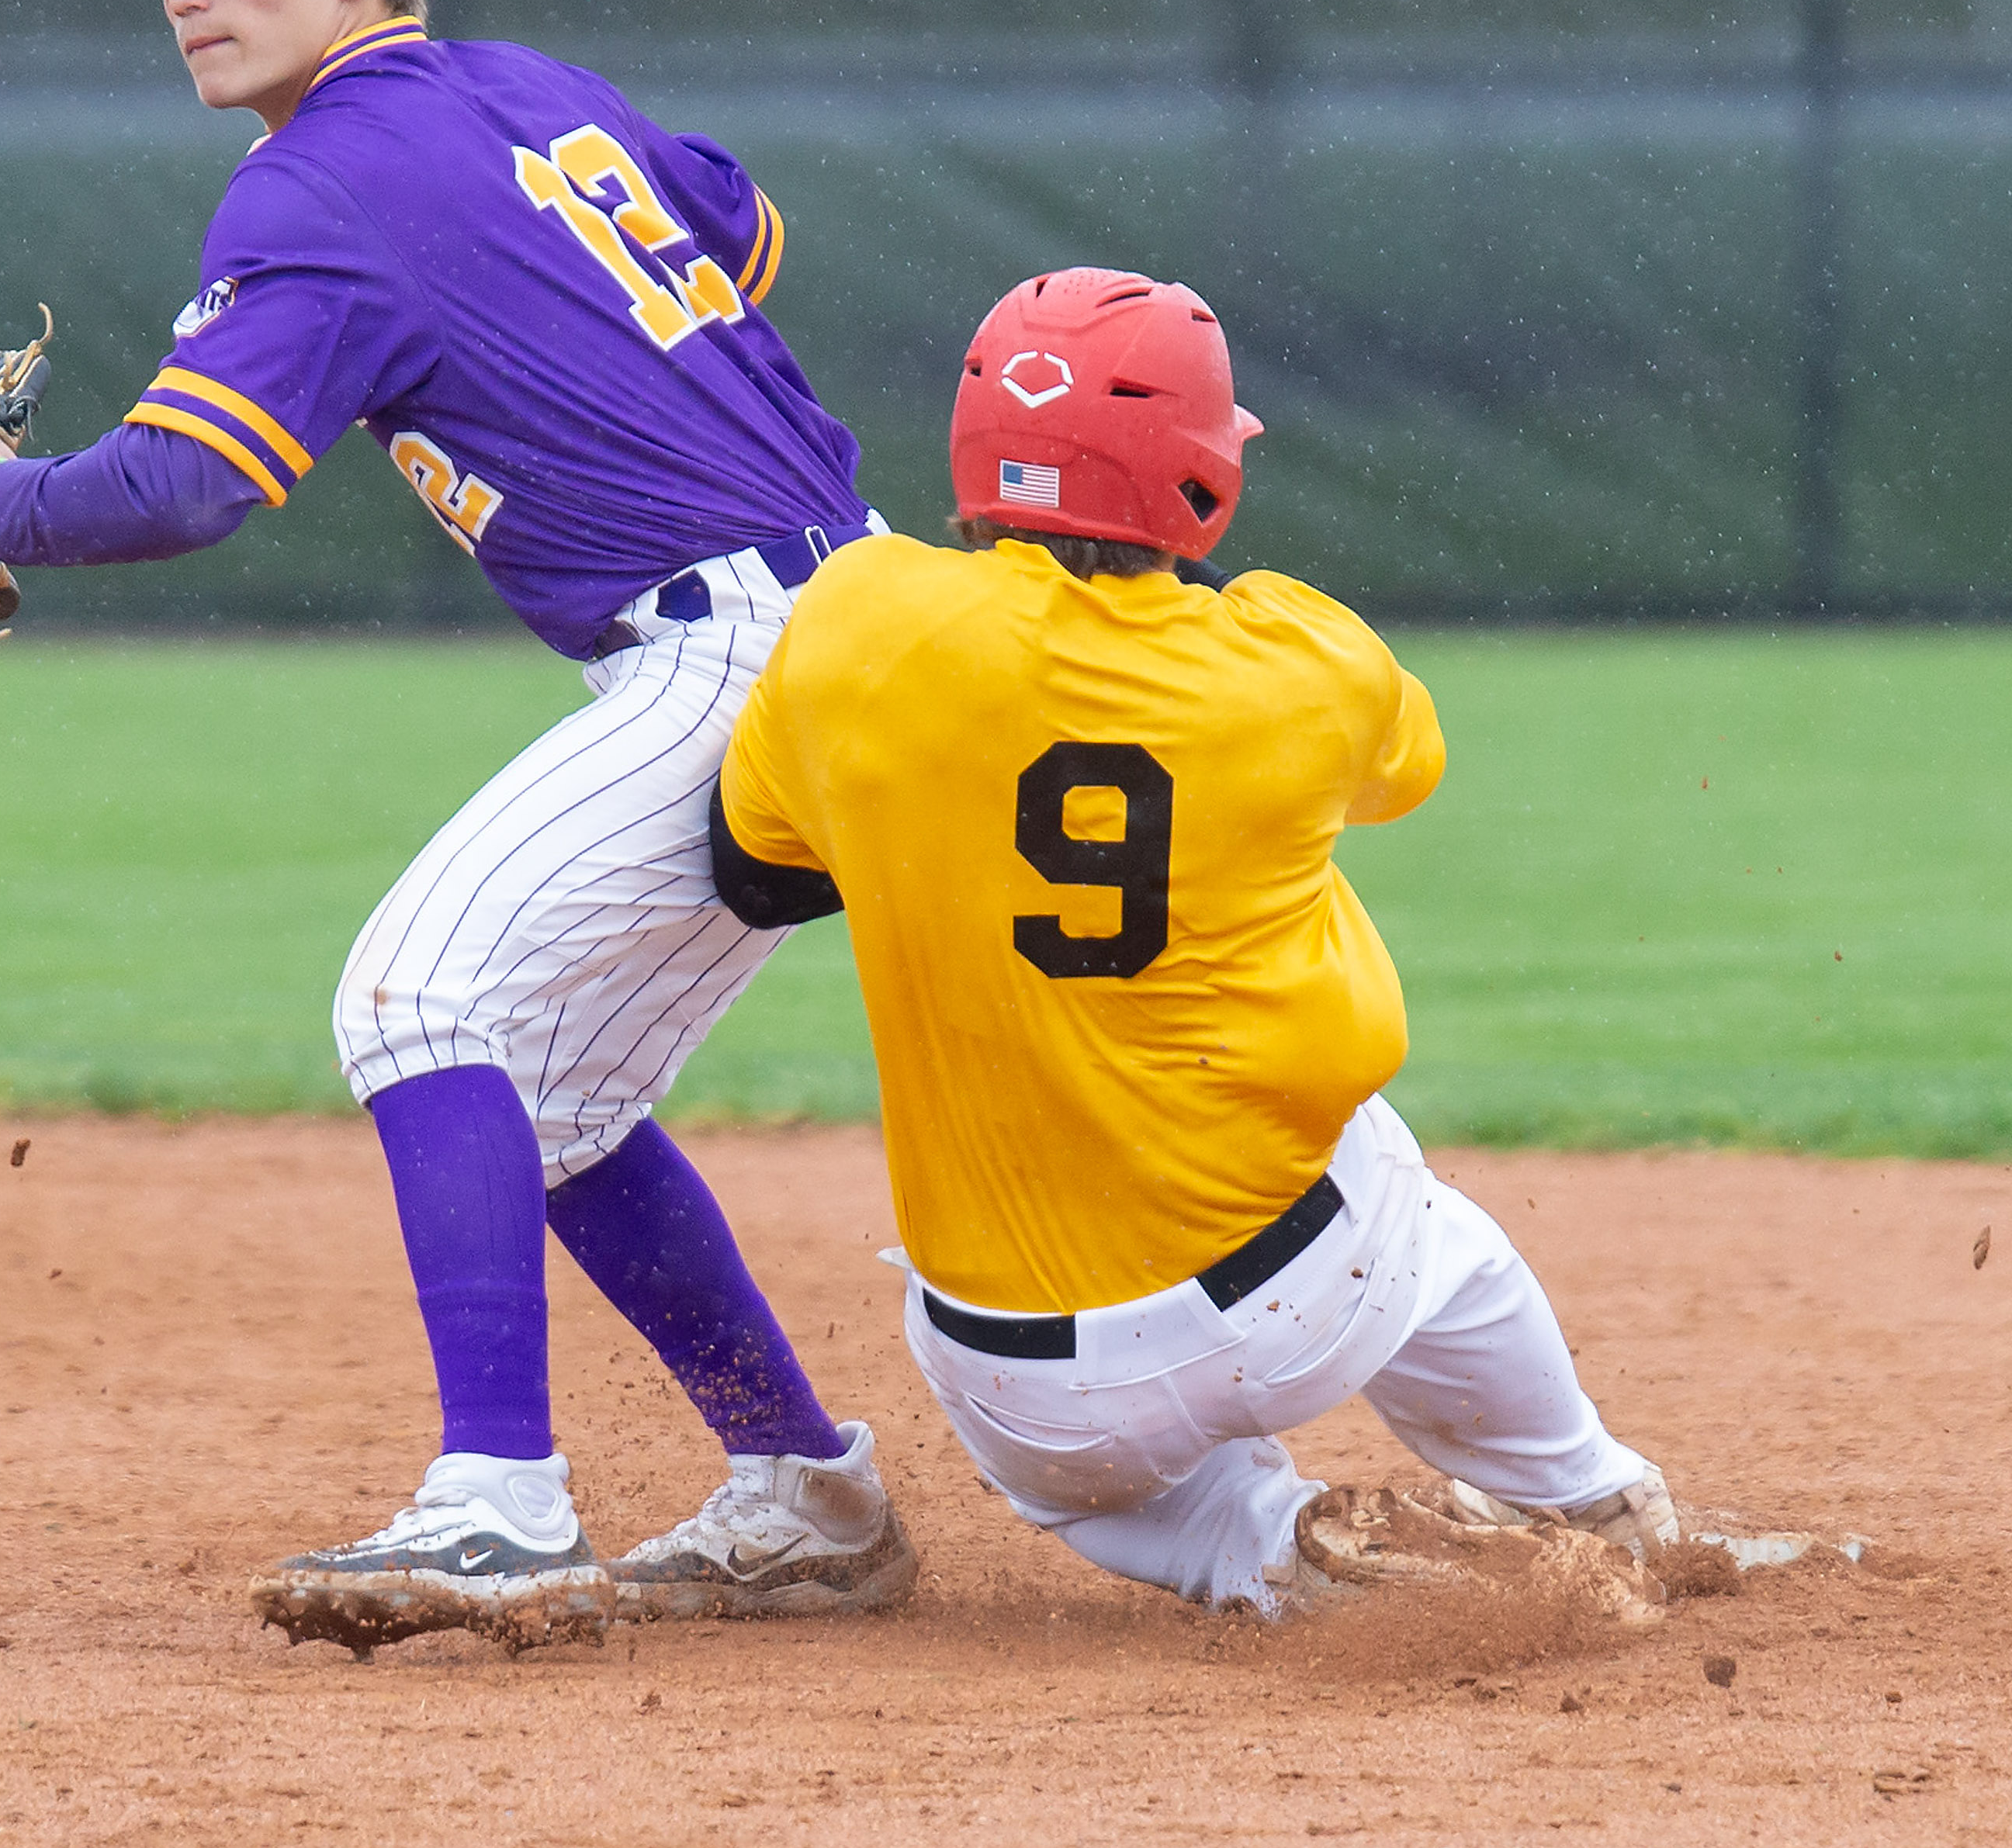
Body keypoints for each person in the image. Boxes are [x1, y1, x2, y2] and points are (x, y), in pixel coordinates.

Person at [0, 0, 914, 1648]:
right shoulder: (537, 85)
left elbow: (182, 486)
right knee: (561, 1089)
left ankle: (498, 1505)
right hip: (877, 617)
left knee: (414, 1000)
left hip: (738, 652)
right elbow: (741, 239)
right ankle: (804, 1491)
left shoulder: (313, 183)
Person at [705, 265, 1675, 1616]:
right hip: (1303, 1293)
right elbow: (1405, 772)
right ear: (1198, 477)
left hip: (1022, 1386)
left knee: (1070, 1481)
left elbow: (752, 874)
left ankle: (1268, 1547)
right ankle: (1590, 1494)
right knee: (1398, 1180)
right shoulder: (1300, 659)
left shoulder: (855, 617)